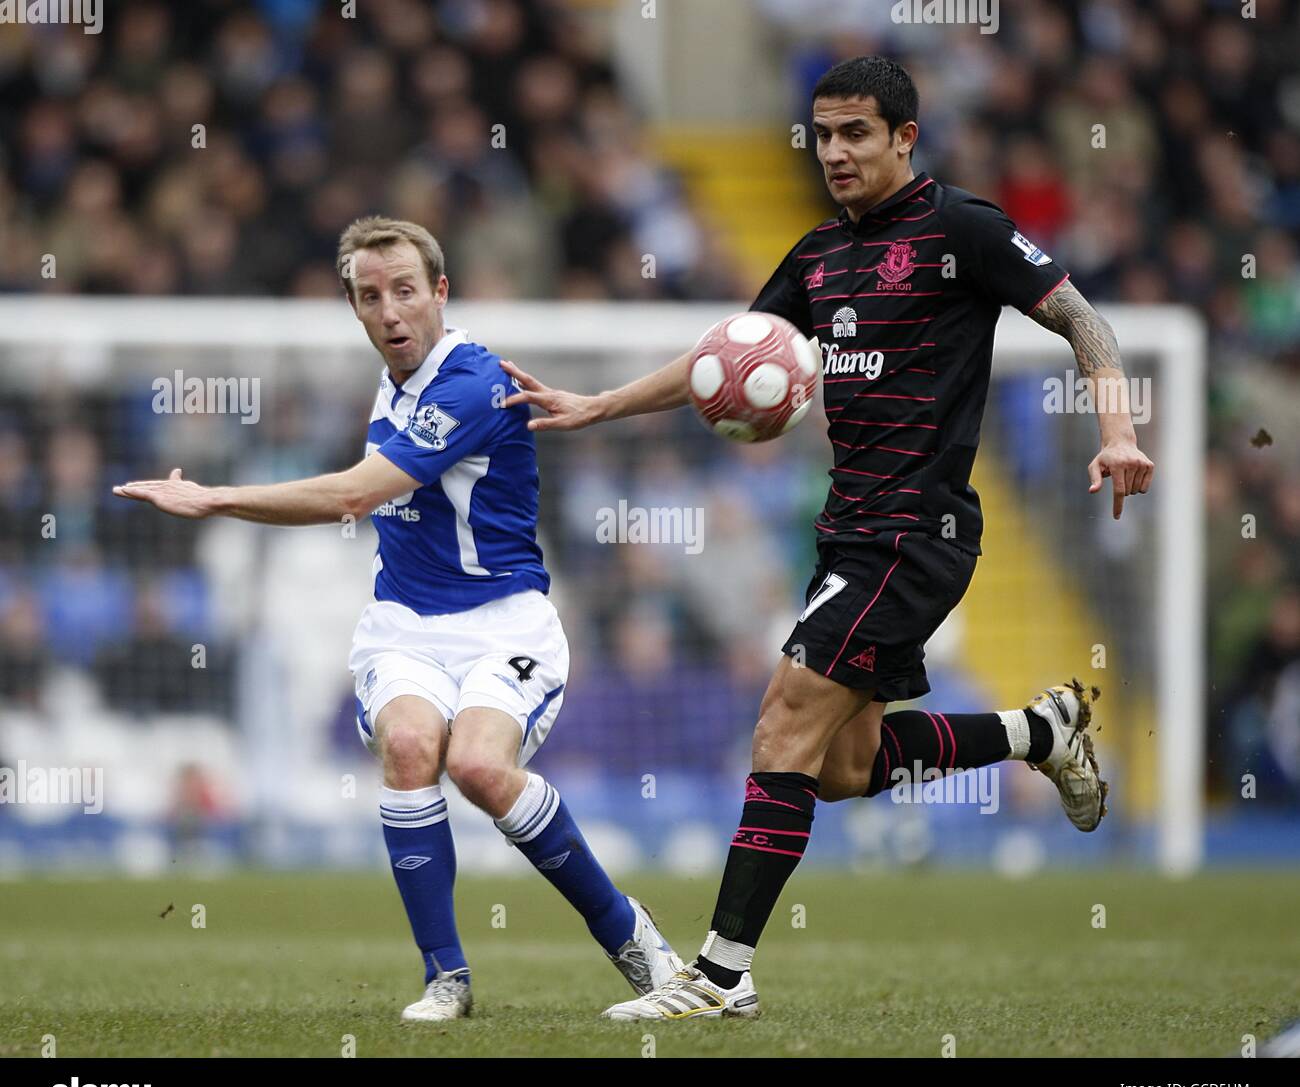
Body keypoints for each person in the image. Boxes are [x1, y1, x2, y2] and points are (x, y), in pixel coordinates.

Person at [499, 57, 1155, 1021]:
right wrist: (598, 404)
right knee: (842, 766)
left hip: (916, 534)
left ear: (904, 138)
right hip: (848, 535)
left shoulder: (959, 229)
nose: (835, 152)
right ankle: (1038, 732)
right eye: (822, 135)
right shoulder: (816, 256)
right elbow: (721, 357)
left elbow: (1081, 319)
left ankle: (721, 974)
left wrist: (1118, 430)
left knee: (782, 721)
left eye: (856, 134)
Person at [113, 215, 682, 1021]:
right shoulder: (395, 381)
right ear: (353, 307)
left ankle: (631, 935)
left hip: (506, 623)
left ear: (441, 292)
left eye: (406, 291)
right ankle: (445, 975)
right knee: (411, 745)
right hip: (405, 624)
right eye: (371, 296)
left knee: (481, 769)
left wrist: (214, 497)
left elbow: (353, 494)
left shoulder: (471, 382)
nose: (391, 312)